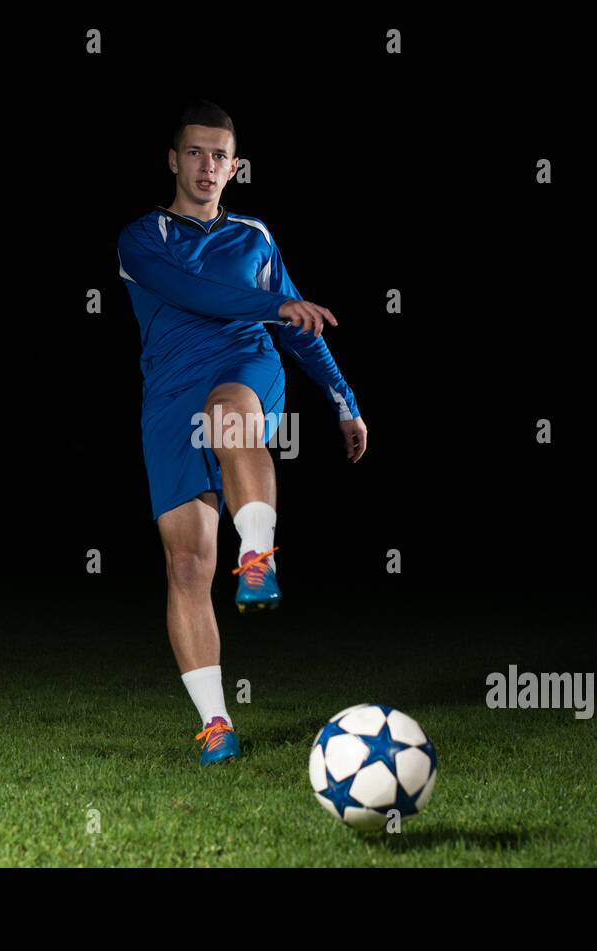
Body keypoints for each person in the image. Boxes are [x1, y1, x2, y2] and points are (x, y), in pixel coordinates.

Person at [117, 99, 367, 765]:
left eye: (220, 155)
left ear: (235, 166)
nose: (207, 165)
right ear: (174, 160)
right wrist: (274, 303)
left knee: (232, 416)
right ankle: (217, 724)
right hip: (169, 394)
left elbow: (298, 322)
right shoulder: (142, 238)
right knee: (187, 564)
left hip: (240, 361)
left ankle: (257, 555)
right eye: (195, 152)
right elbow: (192, 291)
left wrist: (343, 398)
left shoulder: (254, 236)